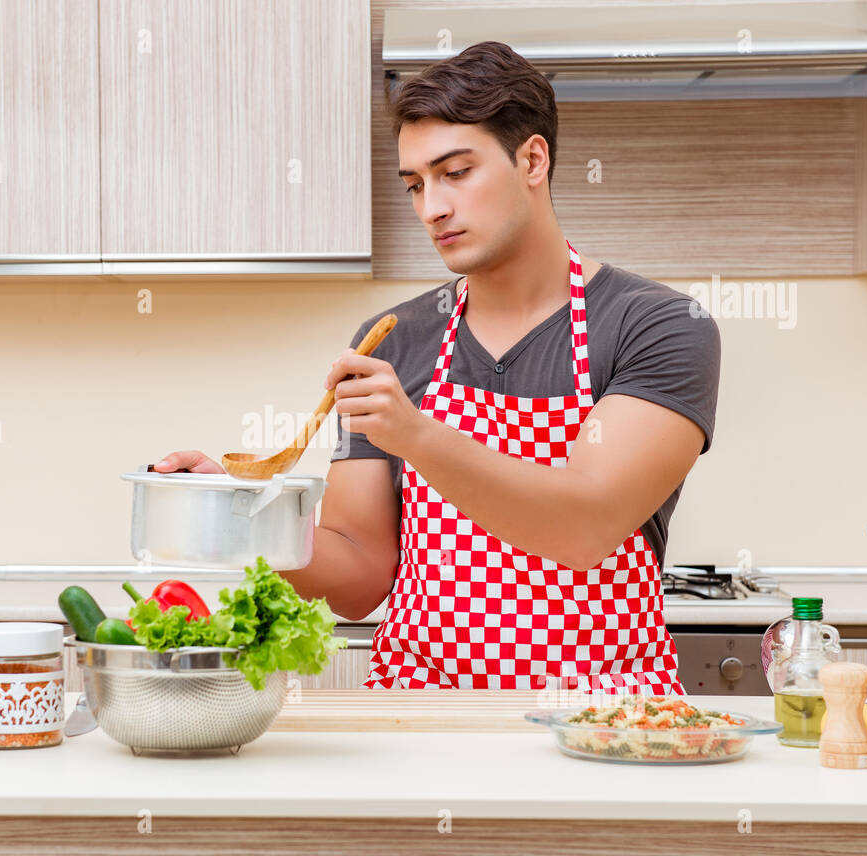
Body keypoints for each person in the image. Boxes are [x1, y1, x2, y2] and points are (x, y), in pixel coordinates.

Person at [154, 41, 720, 692]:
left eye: (456, 172)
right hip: (418, 720)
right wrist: (237, 509)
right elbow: (361, 576)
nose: (432, 208)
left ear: (532, 159)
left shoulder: (661, 325)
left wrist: (416, 435)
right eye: (416, 184)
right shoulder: (392, 341)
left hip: (602, 727)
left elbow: (583, 528)